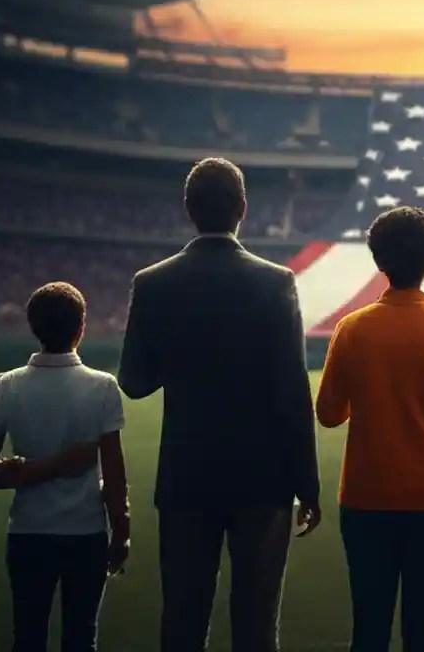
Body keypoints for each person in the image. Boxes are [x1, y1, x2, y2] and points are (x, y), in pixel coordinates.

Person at [118, 157, 322, 651]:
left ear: (189, 209)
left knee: (183, 623)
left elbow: (135, 382)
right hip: (263, 480)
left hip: (188, 477)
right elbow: (293, 391)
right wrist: (307, 485)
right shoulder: (276, 282)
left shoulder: (152, 282)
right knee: (256, 628)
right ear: (243, 209)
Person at [316, 206, 424, 651]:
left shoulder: (352, 329)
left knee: (368, 630)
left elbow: (328, 413)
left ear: (378, 259)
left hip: (367, 501)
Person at [0, 282, 130, 652]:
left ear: (32, 326)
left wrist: (36, 470)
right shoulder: (103, 386)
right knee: (81, 639)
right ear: (82, 327)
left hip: (28, 533)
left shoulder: (5, 386)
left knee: (27, 638)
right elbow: (114, 472)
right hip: (85, 534)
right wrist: (121, 528)